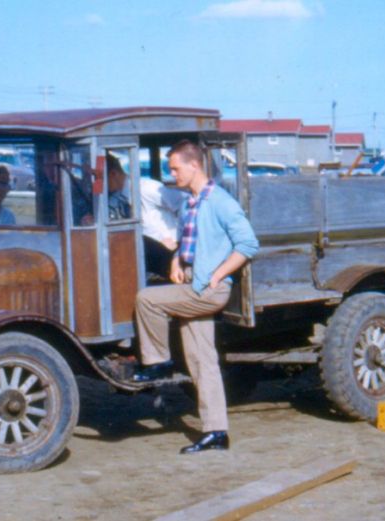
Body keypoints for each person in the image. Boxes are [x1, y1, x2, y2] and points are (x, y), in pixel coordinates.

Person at [133, 140, 259, 454]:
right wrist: (177, 260)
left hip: (207, 288)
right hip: (194, 282)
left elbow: (248, 243)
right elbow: (187, 241)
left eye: (175, 168)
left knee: (147, 299)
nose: (171, 174)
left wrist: (218, 275)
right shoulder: (191, 202)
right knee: (202, 361)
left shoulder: (220, 201)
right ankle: (217, 433)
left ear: (194, 165)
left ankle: (157, 362)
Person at [140, 175, 185, 279]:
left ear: (113, 174)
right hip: (143, 253)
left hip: (169, 249)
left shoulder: (146, 188)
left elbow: (185, 204)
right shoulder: (108, 198)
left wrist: (181, 239)